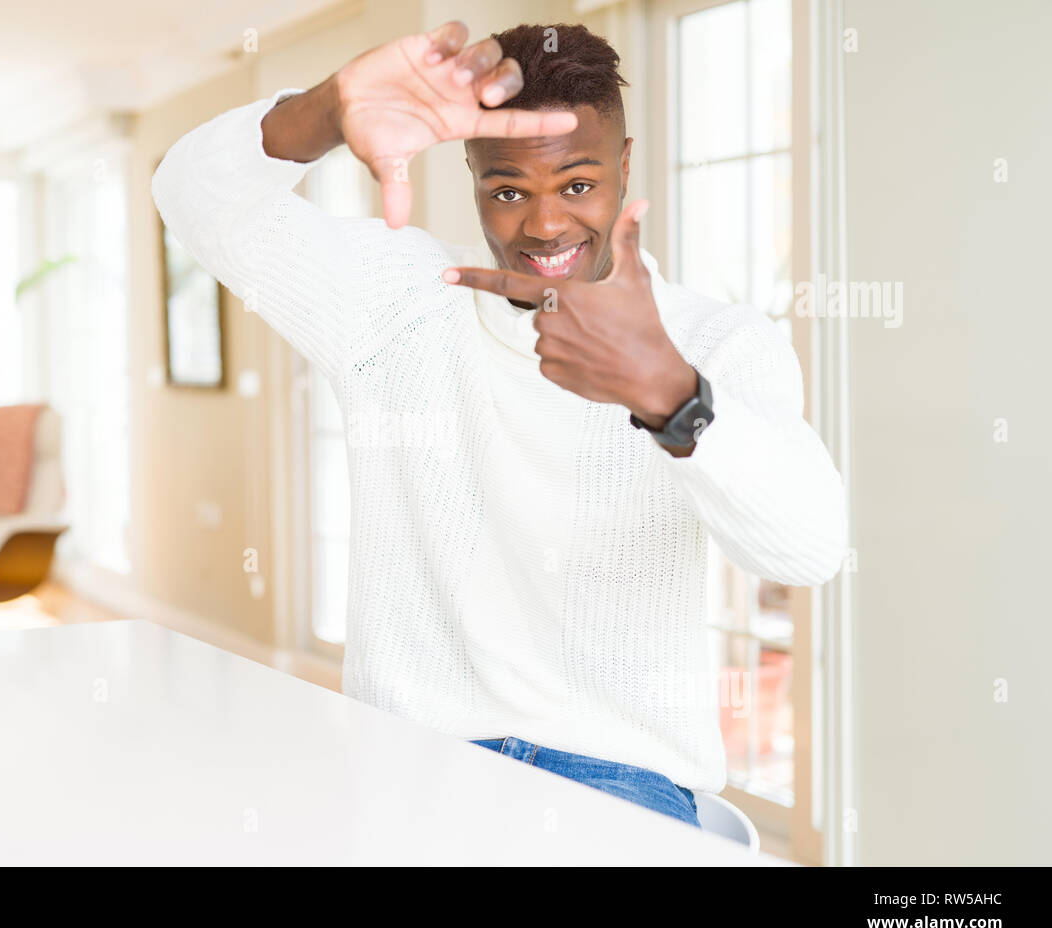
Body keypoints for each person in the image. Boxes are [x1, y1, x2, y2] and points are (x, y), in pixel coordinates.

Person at [151, 20, 848, 830]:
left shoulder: (715, 345)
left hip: (616, 784)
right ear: (474, 177)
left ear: (623, 170)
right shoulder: (400, 301)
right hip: (407, 767)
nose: (545, 226)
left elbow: (808, 549)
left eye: (578, 184)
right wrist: (331, 110)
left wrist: (673, 398)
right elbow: (192, 195)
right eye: (509, 190)